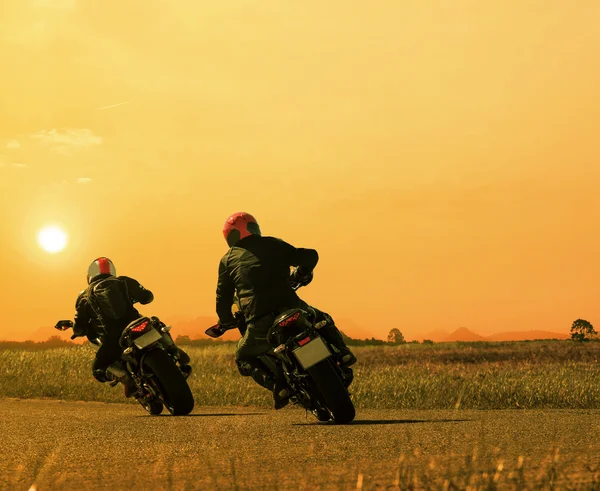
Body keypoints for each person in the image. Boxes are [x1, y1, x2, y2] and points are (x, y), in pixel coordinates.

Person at [215, 212, 357, 409]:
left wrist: (225, 319)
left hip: (259, 319)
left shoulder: (227, 260)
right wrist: (303, 272)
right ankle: (342, 352)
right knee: (322, 318)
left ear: (229, 237)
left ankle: (278, 386)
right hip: (291, 306)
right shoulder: (273, 243)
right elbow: (310, 256)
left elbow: (222, 296)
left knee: (243, 356)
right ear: (255, 228)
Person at [68, 257, 191, 397]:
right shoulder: (124, 281)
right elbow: (147, 297)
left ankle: (127, 379)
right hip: (137, 325)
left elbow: (79, 328)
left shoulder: (83, 296)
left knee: (97, 369)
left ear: (90, 275)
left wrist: (79, 329)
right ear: (111, 270)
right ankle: (175, 351)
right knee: (156, 324)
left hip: (114, 339)